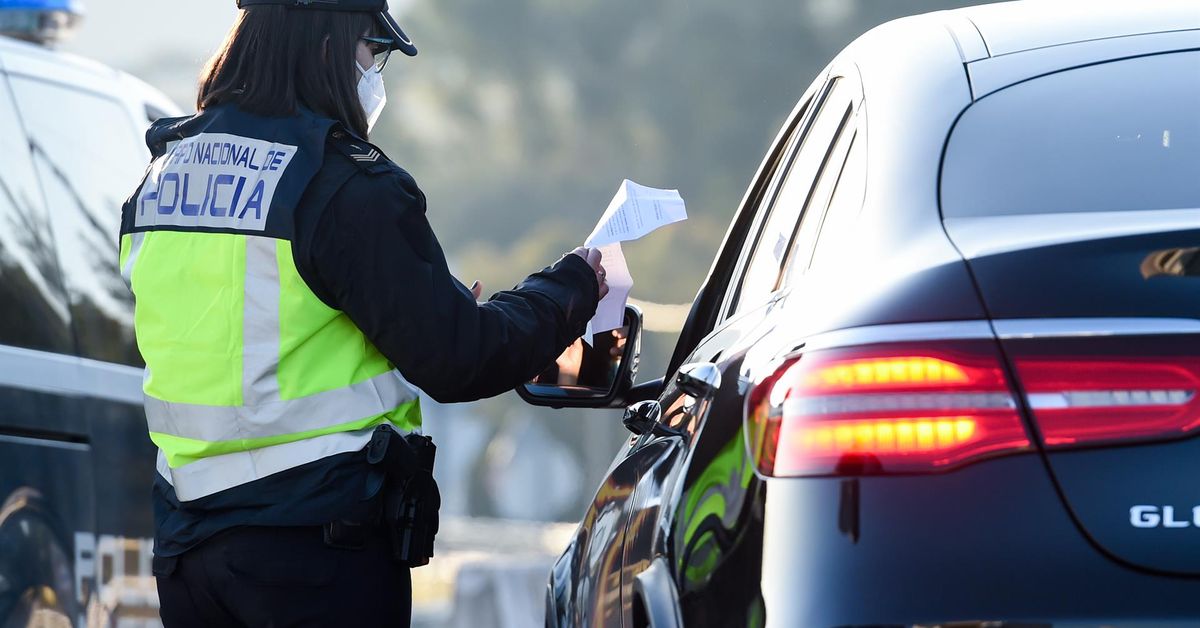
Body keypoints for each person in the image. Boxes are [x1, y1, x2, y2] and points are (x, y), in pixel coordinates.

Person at [117, 1, 608, 625]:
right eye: (371, 52)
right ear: (327, 47)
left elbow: (253, 327)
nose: (374, 72)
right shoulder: (340, 182)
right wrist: (570, 288)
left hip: (189, 553)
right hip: (315, 550)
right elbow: (462, 359)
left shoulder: (161, 177)